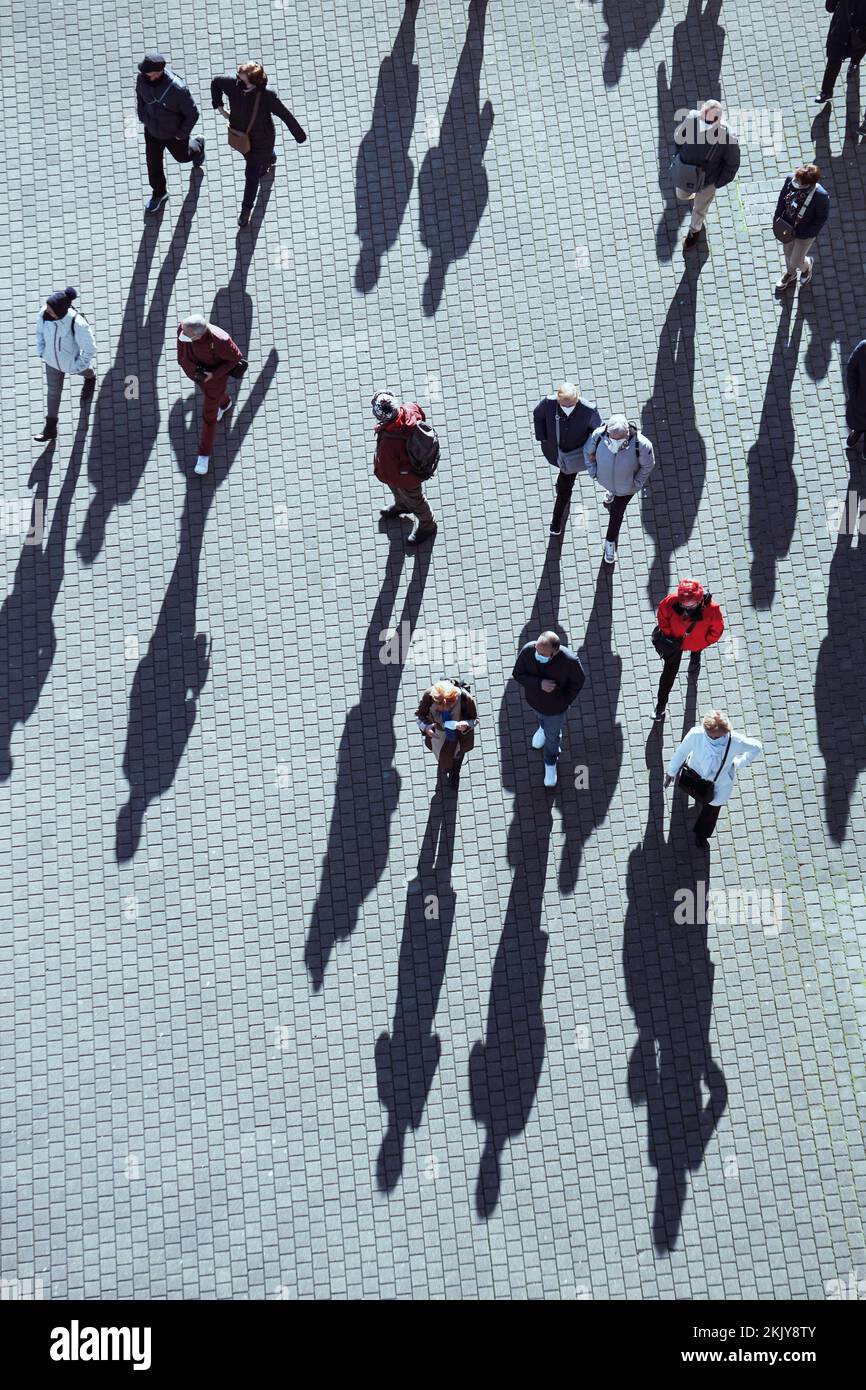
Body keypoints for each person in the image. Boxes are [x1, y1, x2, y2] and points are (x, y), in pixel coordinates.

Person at [211, 62, 307, 228]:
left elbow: (285, 115)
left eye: (242, 74)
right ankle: (270, 158)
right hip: (242, 137)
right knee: (258, 161)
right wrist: (220, 107)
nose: (237, 76)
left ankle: (246, 209)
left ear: (252, 80)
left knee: (251, 173)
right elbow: (216, 83)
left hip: (262, 140)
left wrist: (299, 135)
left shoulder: (266, 96)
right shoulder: (234, 85)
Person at [665, 709, 763, 849]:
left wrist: (738, 763)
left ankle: (702, 835)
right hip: (695, 775)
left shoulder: (735, 740)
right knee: (698, 794)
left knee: (712, 810)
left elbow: (756, 747)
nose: (724, 736)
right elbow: (682, 751)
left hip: (719, 783)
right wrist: (671, 771)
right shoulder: (696, 734)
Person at [512, 630, 585, 788]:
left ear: (554, 652)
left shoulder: (570, 661)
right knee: (541, 719)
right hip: (534, 702)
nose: (537, 654)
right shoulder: (528, 651)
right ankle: (542, 728)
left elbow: (578, 681)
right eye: (536, 649)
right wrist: (539, 683)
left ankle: (550, 762)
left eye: (542, 653)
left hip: (555, 709)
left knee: (553, 737)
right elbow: (518, 674)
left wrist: (565, 701)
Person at [136, 52, 204, 214]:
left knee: (183, 157)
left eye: (147, 72)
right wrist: (143, 116)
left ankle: (198, 146)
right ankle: (159, 193)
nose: (143, 74)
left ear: (158, 73)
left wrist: (181, 134)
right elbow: (140, 97)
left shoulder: (177, 89)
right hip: (152, 130)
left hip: (174, 134)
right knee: (153, 164)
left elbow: (192, 114)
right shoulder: (142, 79)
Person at [584, 414, 656, 565]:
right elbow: (587, 452)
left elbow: (647, 466)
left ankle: (610, 542)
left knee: (617, 514)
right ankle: (611, 492)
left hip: (626, 488)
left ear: (627, 432)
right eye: (612, 437)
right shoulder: (598, 435)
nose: (615, 441)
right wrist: (593, 472)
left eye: (620, 438)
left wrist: (636, 484)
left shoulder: (642, 445)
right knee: (612, 490)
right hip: (606, 480)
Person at [532, 383, 602, 536]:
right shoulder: (548, 403)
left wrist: (593, 451)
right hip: (554, 452)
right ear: (558, 399)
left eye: (571, 404)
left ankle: (556, 522)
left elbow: (598, 431)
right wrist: (542, 438)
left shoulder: (589, 410)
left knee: (564, 490)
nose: (567, 408)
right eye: (564, 404)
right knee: (563, 480)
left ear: (577, 398)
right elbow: (538, 415)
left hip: (574, 456)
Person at [176, 315, 242, 475]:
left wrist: (214, 375)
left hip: (213, 382)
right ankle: (225, 404)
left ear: (198, 335)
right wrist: (181, 360)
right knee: (212, 395)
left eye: (186, 335)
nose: (181, 334)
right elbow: (180, 344)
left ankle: (203, 456)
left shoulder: (221, 340)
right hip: (197, 376)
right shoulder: (184, 327)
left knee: (209, 418)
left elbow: (236, 358)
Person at [371, 390, 438, 547]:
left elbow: (387, 471)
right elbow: (422, 415)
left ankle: (428, 525)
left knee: (416, 500)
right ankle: (403, 505)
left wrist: (380, 474)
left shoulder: (389, 442)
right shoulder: (409, 408)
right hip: (410, 469)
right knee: (404, 494)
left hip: (405, 478)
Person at [652, 579, 724, 721]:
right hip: (675, 643)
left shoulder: (712, 609)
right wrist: (669, 635)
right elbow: (662, 617)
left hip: (696, 642)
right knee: (668, 674)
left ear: (699, 600)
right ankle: (660, 706)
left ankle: (695, 660)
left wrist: (705, 642)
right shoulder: (671, 601)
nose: (686, 607)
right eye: (683, 604)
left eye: (690, 605)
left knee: (696, 651)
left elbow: (716, 630)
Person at [672, 100, 740, 250]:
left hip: (708, 181)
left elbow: (732, 164)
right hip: (687, 173)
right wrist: (680, 156)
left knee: (700, 207)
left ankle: (694, 230)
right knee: (682, 195)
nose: (701, 121)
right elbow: (678, 137)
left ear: (717, 119)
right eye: (701, 117)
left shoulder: (728, 136)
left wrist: (717, 183)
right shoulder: (692, 117)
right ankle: (692, 195)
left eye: (705, 120)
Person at [34, 286, 96, 442]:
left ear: (60, 312)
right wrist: (42, 351)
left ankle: (91, 376)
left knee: (84, 371)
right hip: (51, 362)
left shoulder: (77, 323)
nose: (46, 311)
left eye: (50, 310)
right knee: (53, 393)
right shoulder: (44, 313)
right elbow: (40, 333)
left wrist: (78, 365)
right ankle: (50, 429)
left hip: (70, 363)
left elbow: (90, 348)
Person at [773, 164, 830, 292]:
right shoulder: (790, 179)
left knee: (796, 261)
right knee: (787, 253)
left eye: (799, 182)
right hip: (787, 227)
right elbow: (782, 199)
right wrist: (777, 218)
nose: (795, 182)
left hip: (804, 234)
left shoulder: (821, 196)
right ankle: (790, 274)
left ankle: (807, 266)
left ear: (808, 184)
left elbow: (821, 219)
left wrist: (807, 233)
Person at [415, 680, 477, 787]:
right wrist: (426, 727)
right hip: (438, 737)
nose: (445, 709)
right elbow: (419, 715)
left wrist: (465, 724)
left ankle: (455, 772)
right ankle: (445, 764)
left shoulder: (465, 699)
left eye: (449, 705)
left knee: (457, 756)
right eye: (440, 706)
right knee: (442, 756)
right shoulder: (429, 696)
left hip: (459, 737)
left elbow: (474, 720)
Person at [816, 0, 866, 103]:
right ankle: (826, 91)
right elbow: (830, 7)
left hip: (860, 32)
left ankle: (854, 63)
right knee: (833, 60)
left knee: (858, 50)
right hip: (841, 27)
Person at [845, 338, 866, 458]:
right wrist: (853, 393)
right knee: (858, 422)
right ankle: (857, 433)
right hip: (860, 400)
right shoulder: (863, 348)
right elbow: (851, 368)